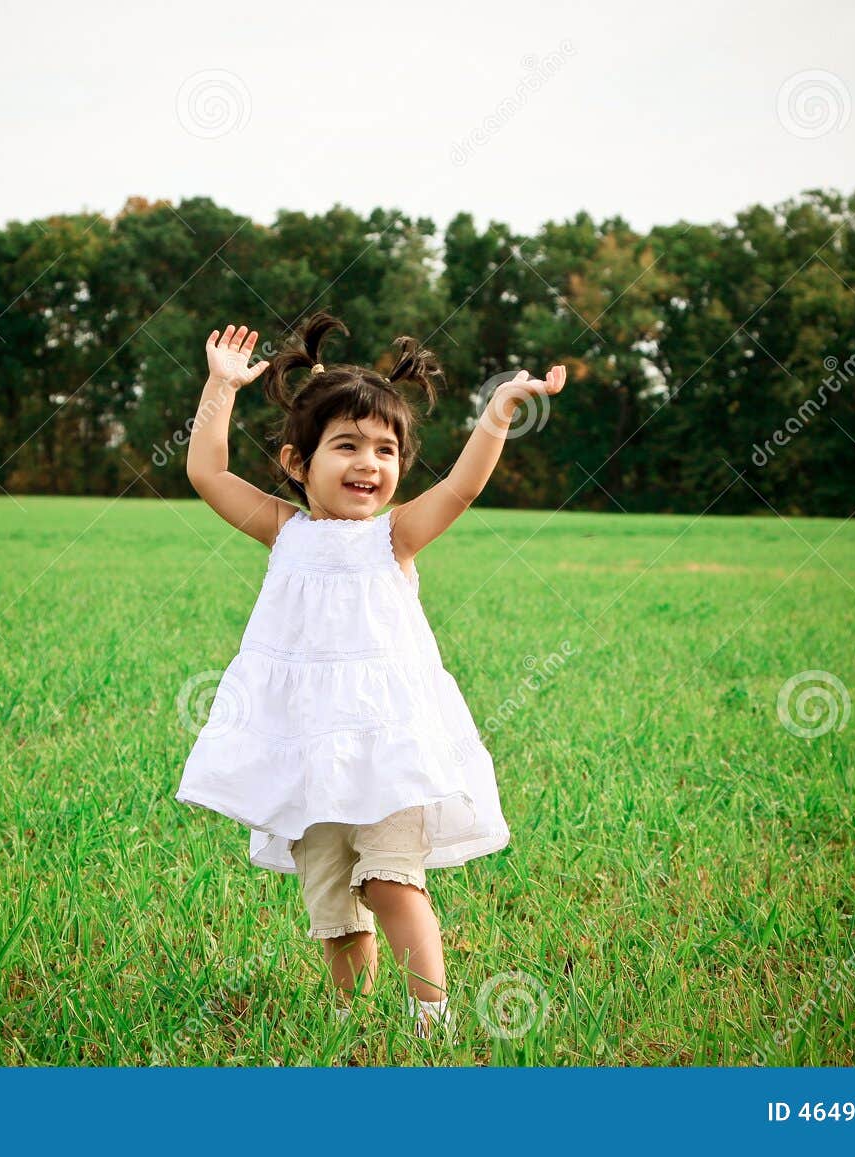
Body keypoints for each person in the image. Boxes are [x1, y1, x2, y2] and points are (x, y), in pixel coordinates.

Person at [175, 311, 566, 1043]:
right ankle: (349, 1019)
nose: (369, 463)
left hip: (392, 747)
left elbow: (462, 488)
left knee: (391, 879)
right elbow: (205, 472)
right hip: (309, 753)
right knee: (334, 911)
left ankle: (431, 1018)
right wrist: (220, 387)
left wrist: (499, 412)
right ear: (298, 462)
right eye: (346, 445)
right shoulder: (284, 531)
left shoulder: (395, 536)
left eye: (385, 449)